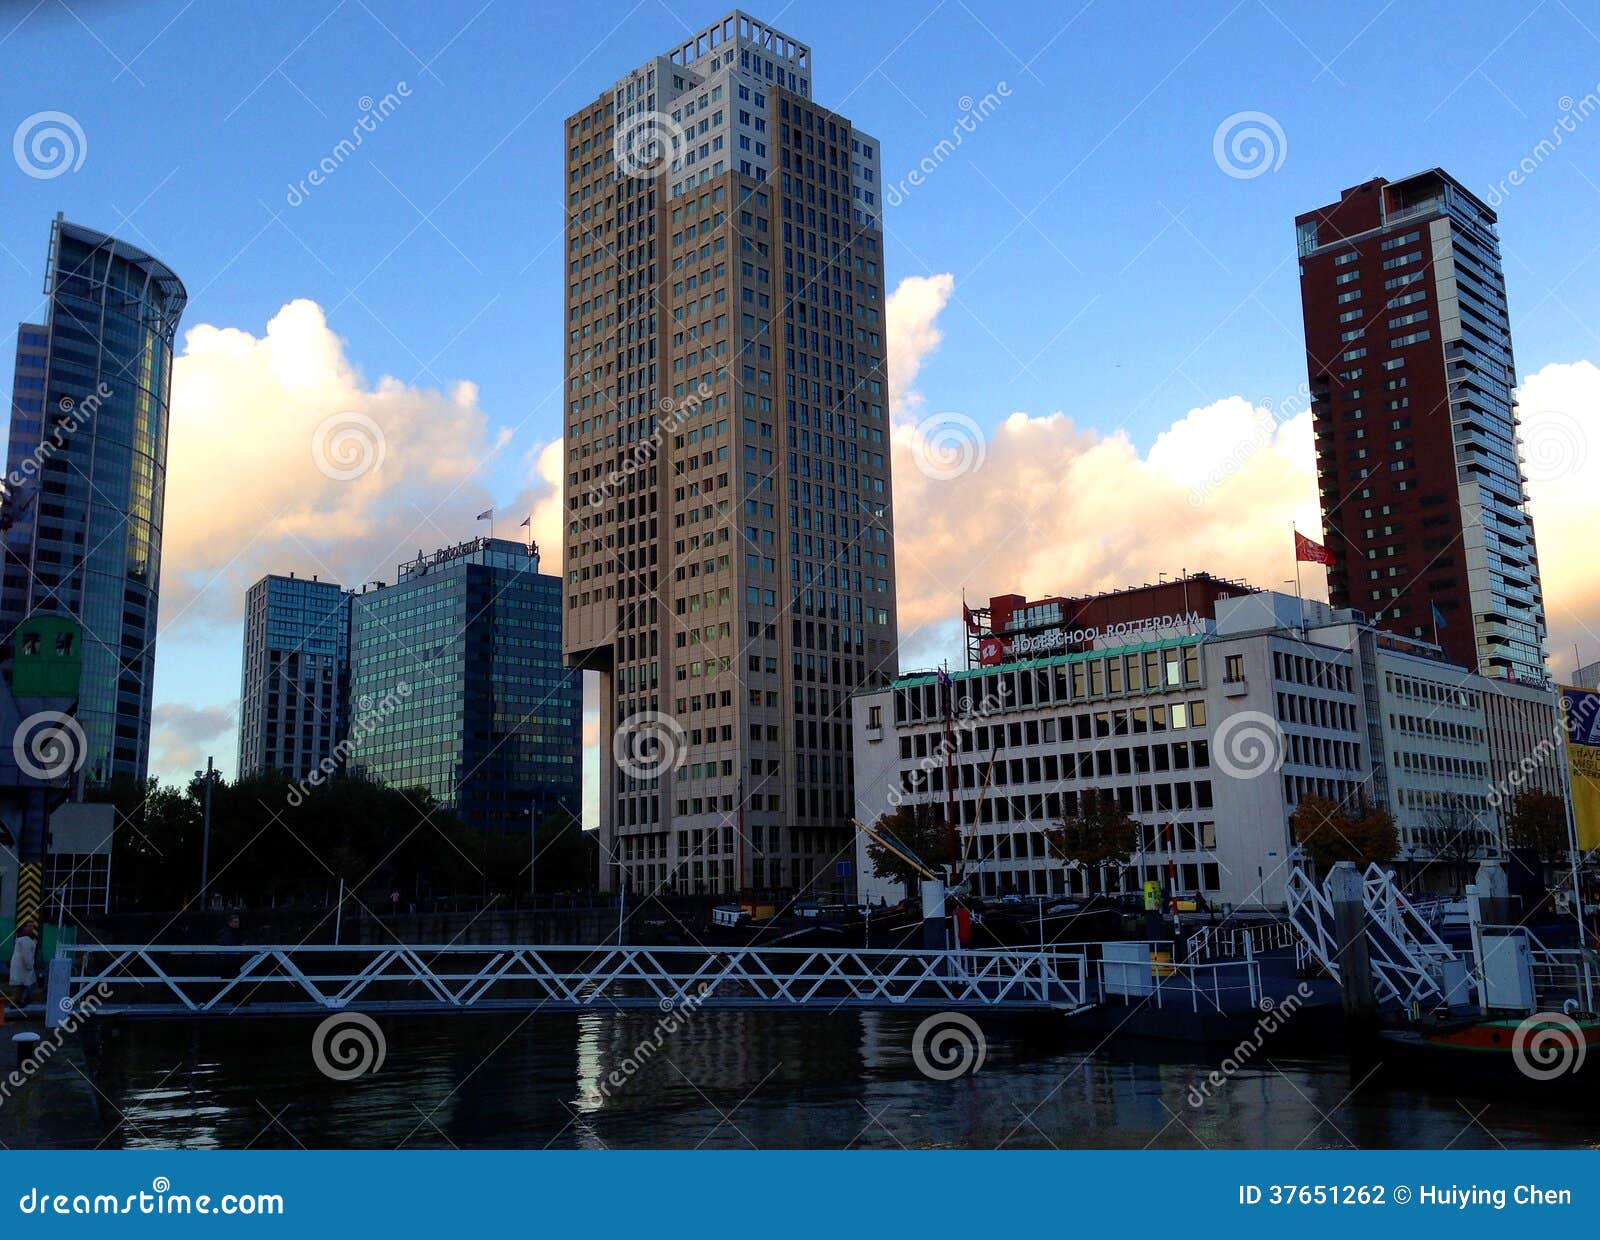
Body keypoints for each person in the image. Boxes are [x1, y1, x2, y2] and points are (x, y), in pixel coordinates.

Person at [9, 921, 39, 1010]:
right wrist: (30, 965)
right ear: (24, 928)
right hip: (23, 965)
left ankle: (17, 1002)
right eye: (29, 926)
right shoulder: (25, 940)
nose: (31, 928)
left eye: (32, 926)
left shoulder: (20, 939)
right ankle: (23, 1001)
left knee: (20, 984)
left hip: (19, 964)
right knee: (27, 984)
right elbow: (27, 954)